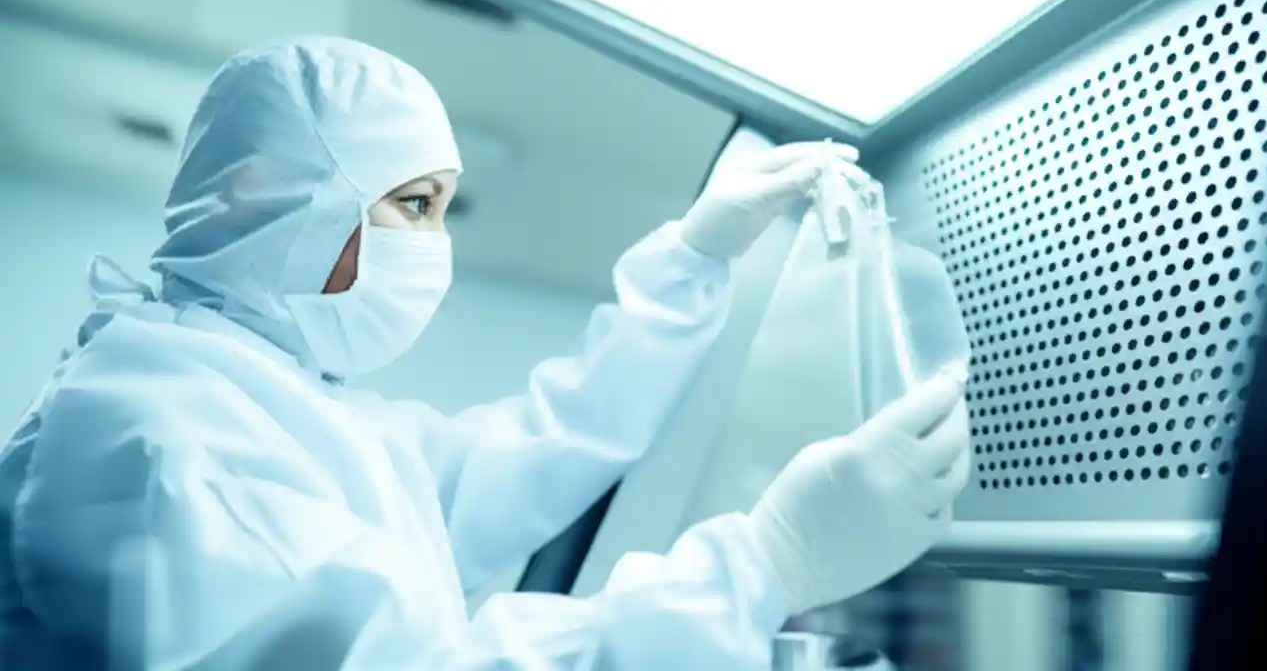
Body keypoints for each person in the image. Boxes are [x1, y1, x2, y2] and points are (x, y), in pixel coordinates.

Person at [0, 37, 970, 669]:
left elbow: (538, 447)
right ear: (262, 194)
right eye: (412, 205)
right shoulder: (151, 433)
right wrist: (762, 565)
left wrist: (692, 259)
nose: (433, 246)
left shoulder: (278, 401)